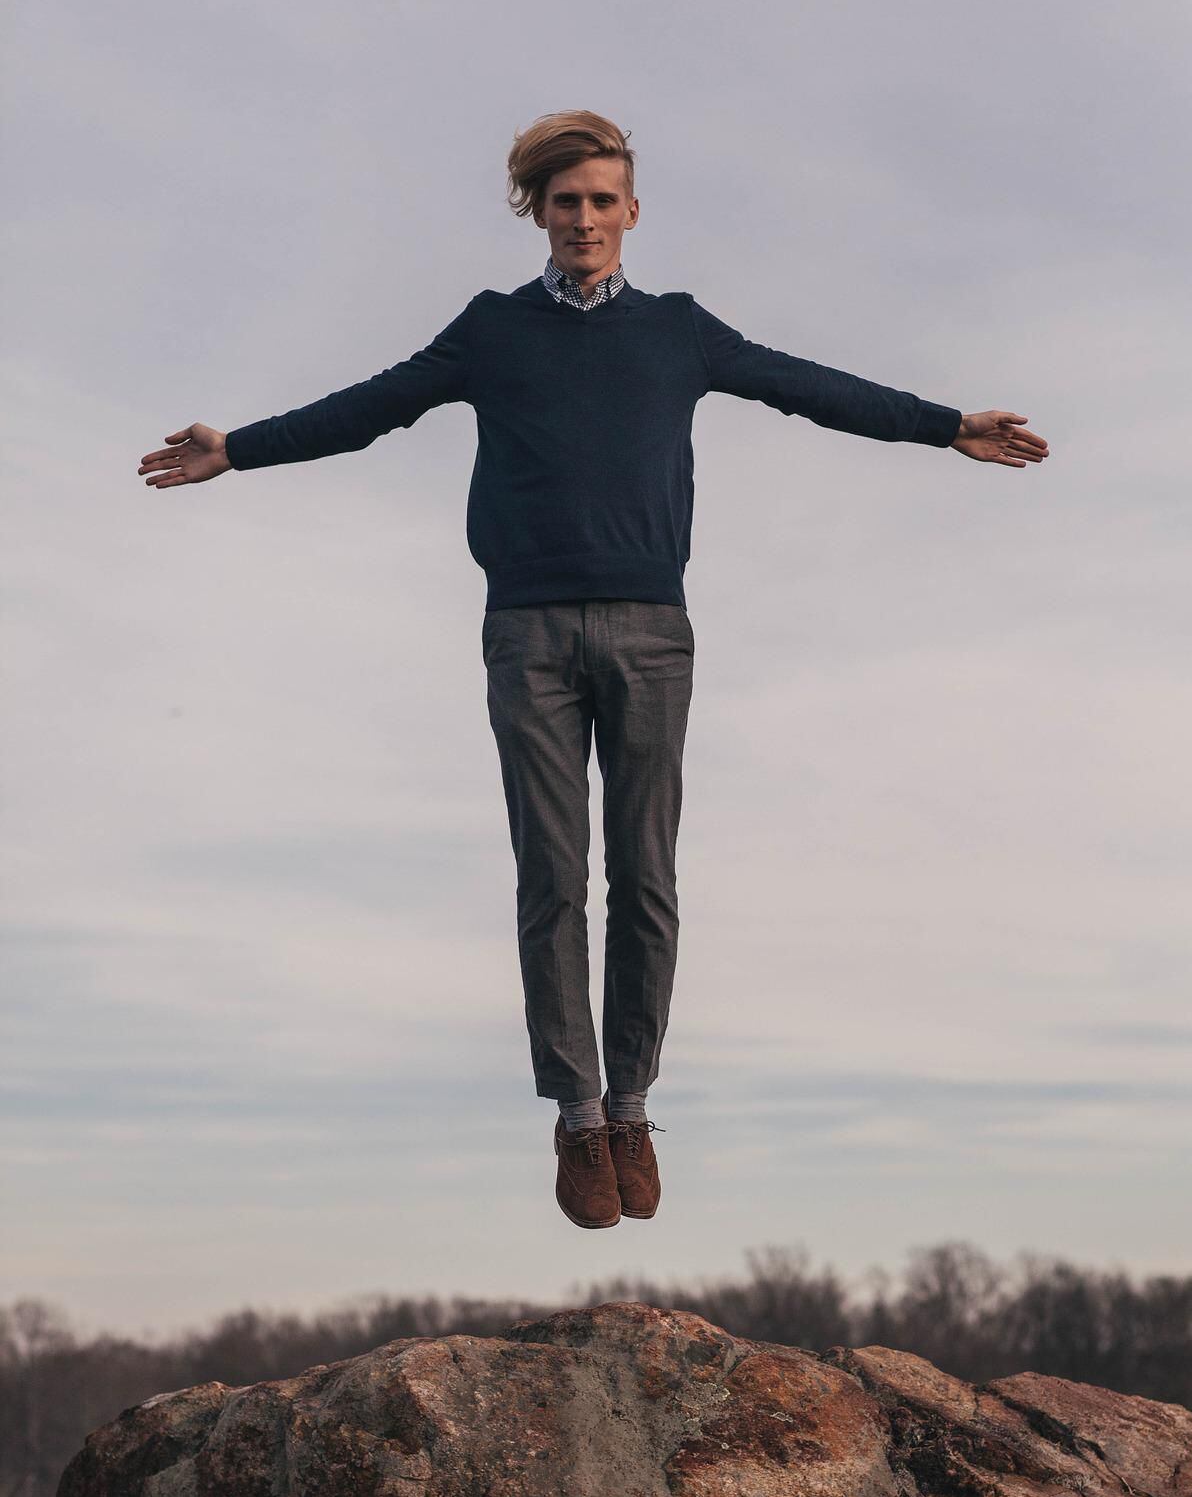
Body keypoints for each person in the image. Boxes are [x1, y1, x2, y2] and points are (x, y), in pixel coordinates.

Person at [137, 109, 1049, 1234]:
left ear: (630, 212)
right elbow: (368, 409)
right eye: (564, 202)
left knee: (646, 877)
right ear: (538, 211)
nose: (583, 220)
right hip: (527, 635)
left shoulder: (677, 331)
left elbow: (804, 384)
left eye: (601, 201)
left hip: (651, 632)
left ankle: (632, 1109)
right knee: (552, 879)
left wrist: (943, 424)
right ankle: (576, 1117)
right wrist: (238, 448)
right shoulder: (491, 331)